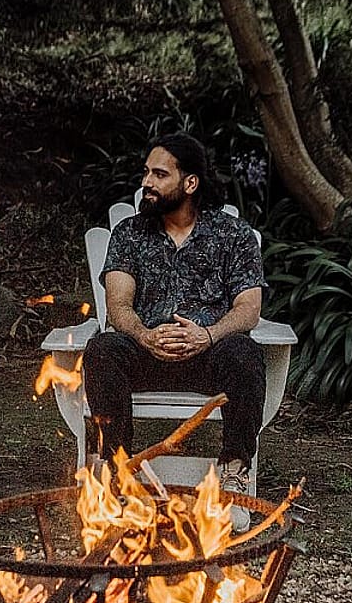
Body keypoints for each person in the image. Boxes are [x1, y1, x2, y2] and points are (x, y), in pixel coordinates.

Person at [83, 132, 266, 514]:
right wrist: (143, 335)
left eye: (159, 175)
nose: (146, 183)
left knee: (245, 352)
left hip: (209, 359)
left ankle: (234, 467)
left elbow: (249, 308)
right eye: (146, 173)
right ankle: (118, 468)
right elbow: (117, 304)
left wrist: (208, 335)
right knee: (102, 349)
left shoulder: (233, 236)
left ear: (190, 183)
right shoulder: (129, 233)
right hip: (145, 357)